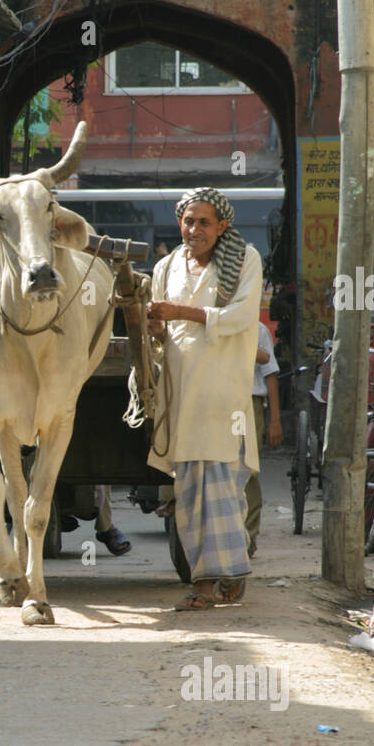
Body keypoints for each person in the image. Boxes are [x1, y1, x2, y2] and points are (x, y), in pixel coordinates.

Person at [144, 188, 262, 611]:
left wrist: (180, 313)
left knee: (225, 486)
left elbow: (243, 317)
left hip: (224, 393)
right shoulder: (165, 266)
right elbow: (163, 339)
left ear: (222, 226)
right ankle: (216, 576)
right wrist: (157, 330)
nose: (194, 230)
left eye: (204, 222)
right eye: (188, 221)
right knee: (190, 492)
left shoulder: (245, 260)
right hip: (182, 394)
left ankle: (213, 583)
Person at [245, 321, 283, 557]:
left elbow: (270, 375)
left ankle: (248, 537)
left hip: (247, 406)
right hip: (218, 402)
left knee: (246, 469)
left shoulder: (257, 330)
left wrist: (275, 421)